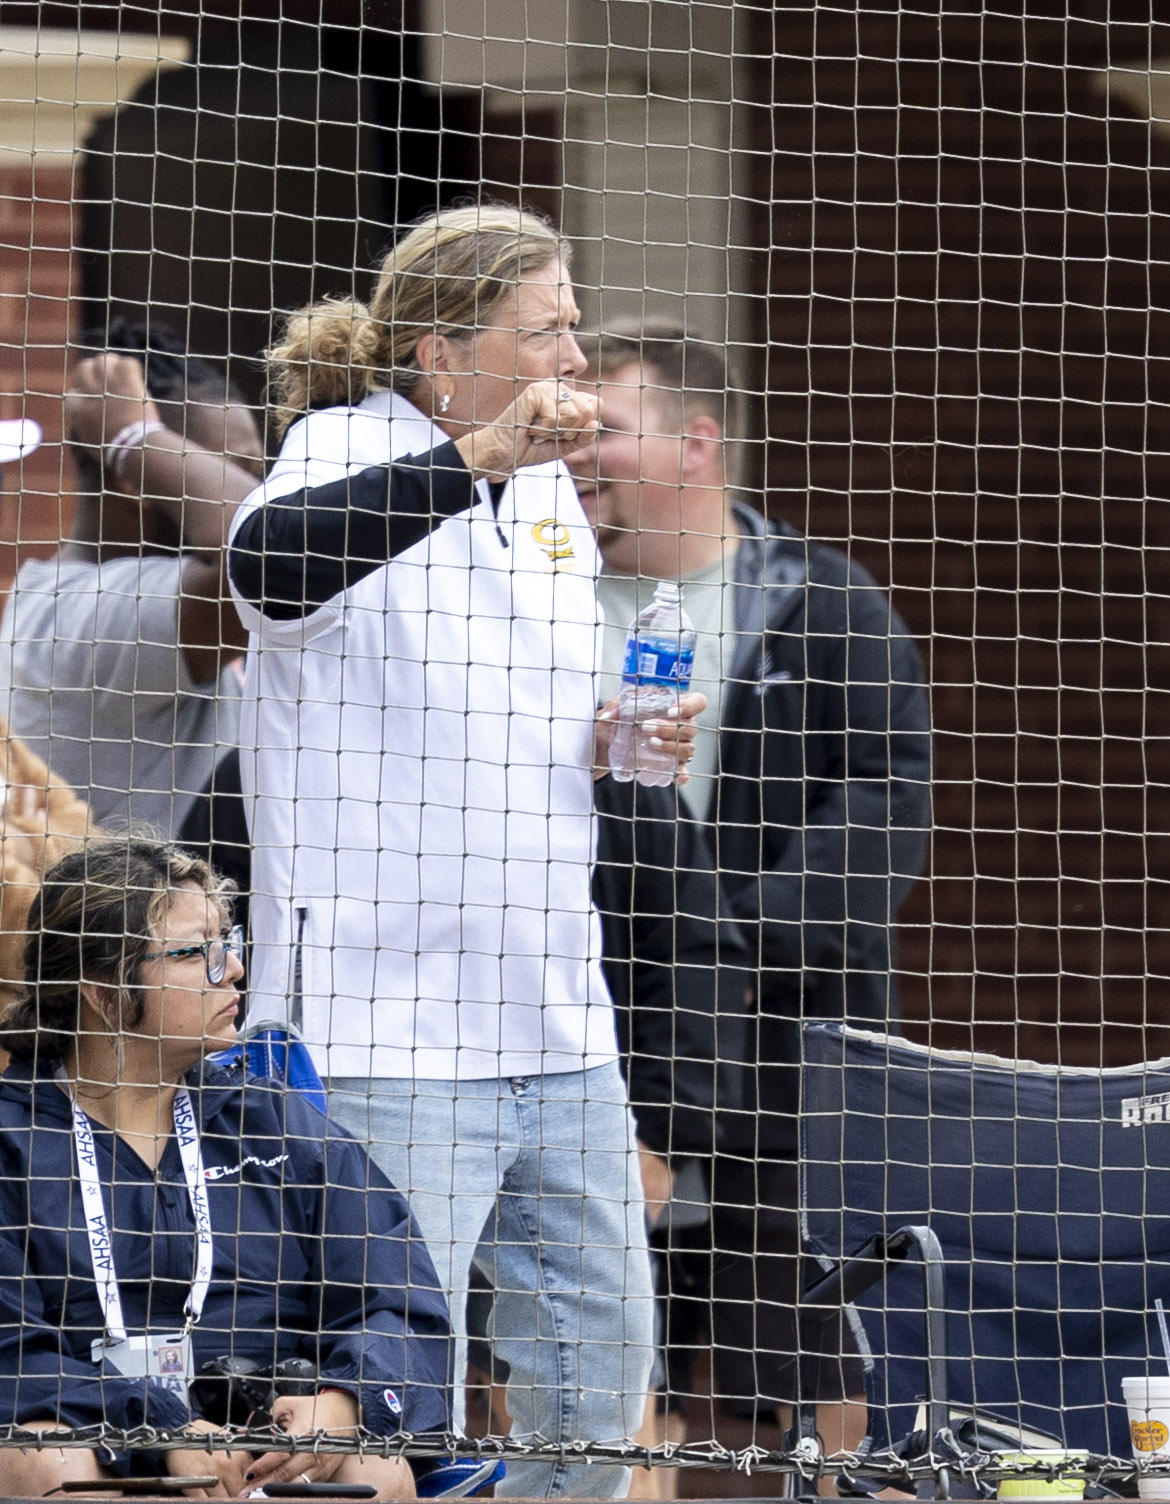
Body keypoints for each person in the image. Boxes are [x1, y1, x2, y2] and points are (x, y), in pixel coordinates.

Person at [230, 202, 704, 1498]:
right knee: (388, 1385)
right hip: (387, 1036)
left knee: (602, 1369)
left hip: (556, 1027)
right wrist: (477, 457)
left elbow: (535, 723)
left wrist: (629, 735)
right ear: (443, 353)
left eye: (572, 326)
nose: (569, 355)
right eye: (542, 327)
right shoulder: (340, 447)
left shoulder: (554, 496)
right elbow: (266, 573)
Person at [568, 319, 934, 1424]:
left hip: (788, 1063)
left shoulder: (822, 602)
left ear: (696, 443)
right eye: (573, 428)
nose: (581, 451)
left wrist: (729, 952)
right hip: (594, 1044)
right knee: (608, 1379)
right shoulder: (527, 603)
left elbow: (887, 804)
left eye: (610, 428)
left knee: (801, 1378)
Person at [0, 839, 450, 1501]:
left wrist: (341, 1404)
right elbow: (10, 1356)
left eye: (229, 942)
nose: (233, 969)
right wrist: (155, 1429)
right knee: (39, 1461)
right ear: (101, 992)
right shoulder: (11, 1140)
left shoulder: (277, 1124)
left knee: (376, 1468)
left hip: (271, 1443)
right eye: (194, 953)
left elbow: (401, 1304)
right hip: (107, 1440)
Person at [5, 331, 263, 838]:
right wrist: (134, 438)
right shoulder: (87, 617)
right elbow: (285, 553)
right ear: (135, 478)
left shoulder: (94, 598)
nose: (260, 493)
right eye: (232, 468)